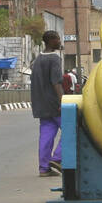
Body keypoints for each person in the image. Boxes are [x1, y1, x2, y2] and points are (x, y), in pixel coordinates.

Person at [30, 31, 65, 176]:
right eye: (57, 39)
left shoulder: (37, 60)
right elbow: (56, 82)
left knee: (46, 134)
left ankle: (44, 168)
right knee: (72, 129)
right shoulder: (54, 59)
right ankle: (57, 158)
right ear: (50, 40)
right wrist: (62, 101)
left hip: (40, 104)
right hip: (54, 103)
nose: (59, 41)